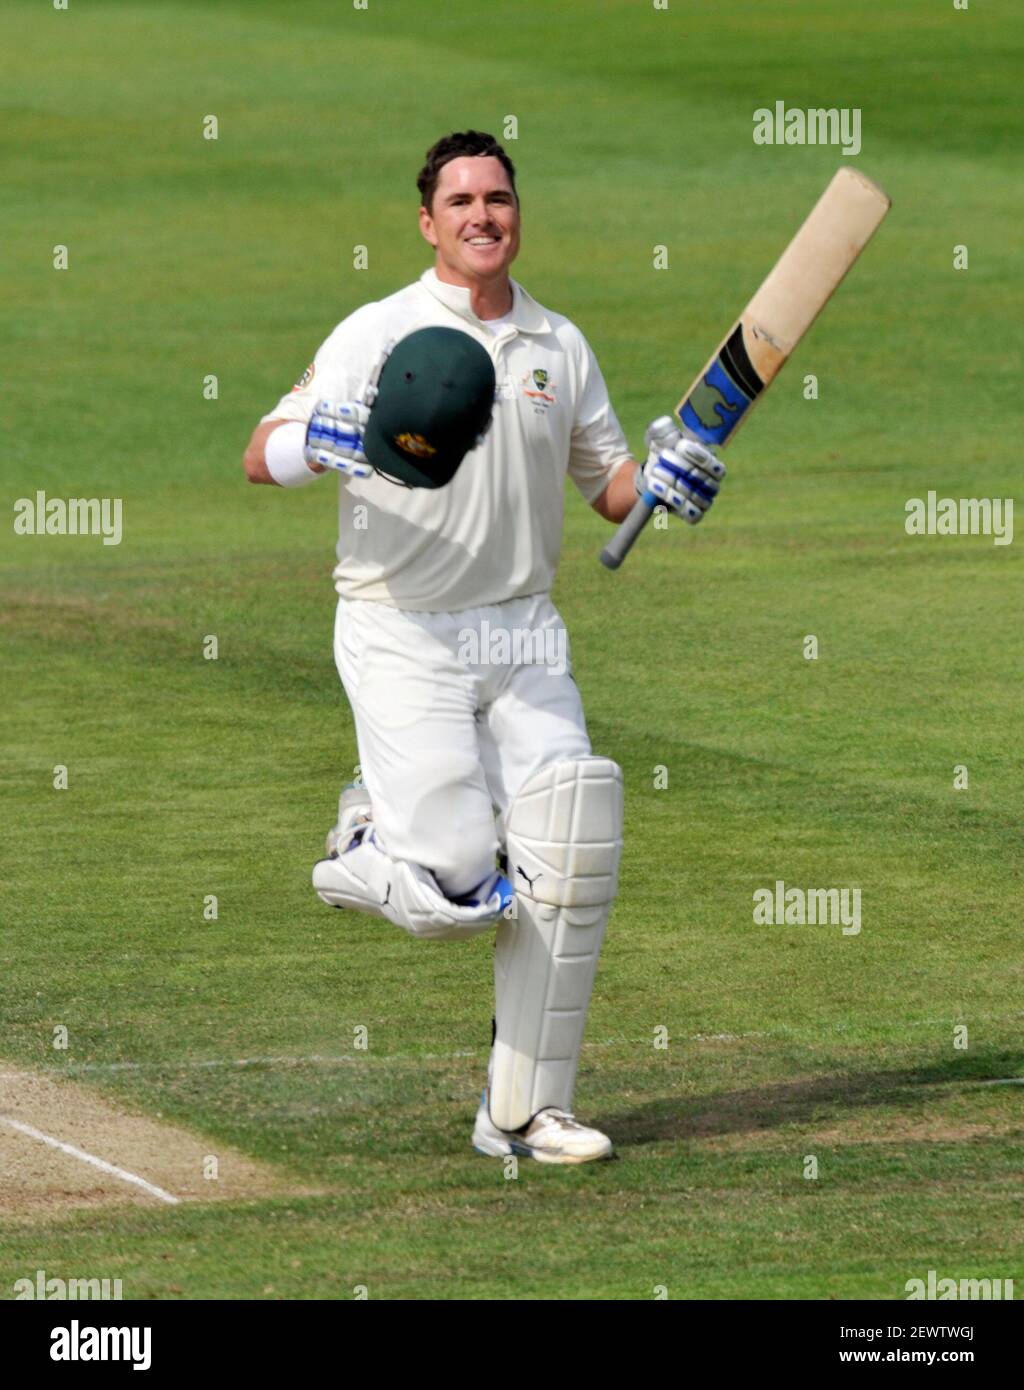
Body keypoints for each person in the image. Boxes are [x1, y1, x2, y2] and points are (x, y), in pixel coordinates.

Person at [242, 130, 725, 1164]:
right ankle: (371, 835)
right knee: (456, 885)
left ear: (517, 213)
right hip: (399, 626)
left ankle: (522, 1110)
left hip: (522, 630)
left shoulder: (559, 343)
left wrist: (672, 480)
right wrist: (318, 440)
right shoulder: (379, 330)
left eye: (496, 199)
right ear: (428, 222)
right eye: (459, 201)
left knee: (572, 850)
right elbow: (258, 453)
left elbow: (609, 489)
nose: (480, 216)